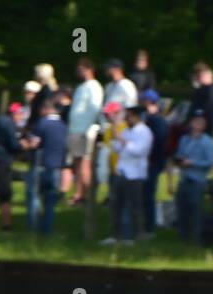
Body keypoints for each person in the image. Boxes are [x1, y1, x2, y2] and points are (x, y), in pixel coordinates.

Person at [106, 105, 153, 243]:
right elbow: (116, 148)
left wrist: (122, 139)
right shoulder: (127, 131)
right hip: (122, 171)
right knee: (117, 205)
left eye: (129, 116)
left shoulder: (144, 132)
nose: (126, 119)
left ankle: (134, 235)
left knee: (133, 206)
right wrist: (116, 135)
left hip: (135, 174)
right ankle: (116, 235)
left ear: (136, 117)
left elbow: (138, 151)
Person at [24, 98, 66, 234]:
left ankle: (33, 228)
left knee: (34, 197)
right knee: (49, 202)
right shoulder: (63, 125)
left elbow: (34, 144)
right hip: (57, 167)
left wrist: (26, 144)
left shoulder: (42, 124)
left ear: (45, 109)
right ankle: (47, 229)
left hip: (40, 165)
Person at [173, 110, 213, 242]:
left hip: (197, 180)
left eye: (200, 122)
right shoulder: (184, 139)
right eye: (195, 121)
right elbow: (179, 154)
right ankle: (182, 237)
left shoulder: (208, 142)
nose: (197, 124)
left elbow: (210, 162)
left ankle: (195, 238)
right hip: (184, 178)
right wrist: (180, 161)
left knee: (196, 210)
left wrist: (193, 163)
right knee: (182, 208)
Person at [67, 59, 103, 203]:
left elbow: (95, 107)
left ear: (89, 69)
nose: (78, 72)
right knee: (76, 162)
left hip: (84, 129)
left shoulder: (94, 87)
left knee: (84, 162)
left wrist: (89, 127)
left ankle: (86, 194)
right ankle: (78, 192)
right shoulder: (81, 87)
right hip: (75, 128)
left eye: (81, 69)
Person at [141, 89, 168, 235]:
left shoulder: (157, 121)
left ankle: (150, 226)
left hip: (153, 162)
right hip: (148, 162)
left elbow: (160, 143)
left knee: (148, 194)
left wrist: (154, 160)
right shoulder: (149, 119)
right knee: (144, 194)